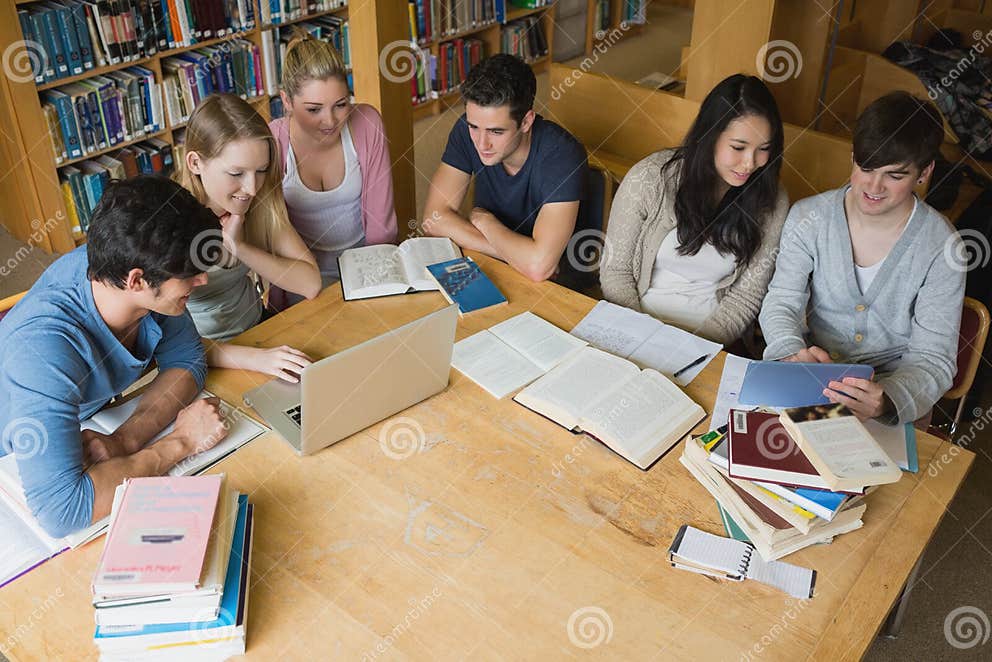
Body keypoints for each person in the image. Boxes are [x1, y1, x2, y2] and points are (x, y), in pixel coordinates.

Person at [0, 176, 229, 538]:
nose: (202, 281)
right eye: (189, 274)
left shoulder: (132, 265)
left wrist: (126, 441)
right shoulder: (42, 349)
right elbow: (62, 511)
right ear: (136, 281)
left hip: (81, 424)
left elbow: (188, 361)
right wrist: (180, 443)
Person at [759, 91, 964, 424]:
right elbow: (782, 301)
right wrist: (791, 353)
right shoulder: (809, 217)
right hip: (812, 375)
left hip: (889, 395)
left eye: (895, 176)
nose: (874, 186)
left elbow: (934, 359)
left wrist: (887, 400)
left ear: (924, 172)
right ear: (853, 155)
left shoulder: (943, 247)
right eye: (865, 167)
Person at [600, 74, 789, 345]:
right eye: (738, 147)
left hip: (710, 342)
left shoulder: (772, 200)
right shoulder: (650, 178)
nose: (749, 163)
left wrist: (694, 348)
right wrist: (641, 335)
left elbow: (746, 296)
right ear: (709, 135)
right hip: (632, 326)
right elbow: (615, 272)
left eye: (763, 149)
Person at [175, 93, 321, 382]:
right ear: (195, 163)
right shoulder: (168, 221)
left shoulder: (259, 201)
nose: (252, 188)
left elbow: (310, 283)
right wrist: (255, 359)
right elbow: (166, 345)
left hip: (259, 334)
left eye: (261, 171)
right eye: (236, 173)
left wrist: (239, 247)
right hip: (201, 357)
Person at [422, 53, 588, 282]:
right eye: (474, 127)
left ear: (526, 122)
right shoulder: (466, 131)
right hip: (491, 266)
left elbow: (539, 268)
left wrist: (484, 221)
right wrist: (510, 253)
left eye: (496, 131)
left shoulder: (562, 154)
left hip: (554, 287)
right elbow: (434, 219)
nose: (481, 143)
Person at [268, 32, 398, 308]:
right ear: (287, 102)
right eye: (314, 110)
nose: (330, 121)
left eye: (341, 105)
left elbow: (381, 226)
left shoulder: (367, 122)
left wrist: (375, 287)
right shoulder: (273, 142)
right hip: (304, 284)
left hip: (366, 271)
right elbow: (269, 230)